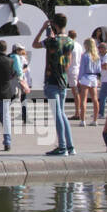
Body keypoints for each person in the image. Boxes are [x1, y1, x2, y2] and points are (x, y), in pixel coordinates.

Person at [33, 13, 76, 156]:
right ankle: (70, 146)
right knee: (62, 113)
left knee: (57, 114)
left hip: (51, 80)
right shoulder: (70, 41)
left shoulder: (51, 41)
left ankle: (62, 146)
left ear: (55, 24)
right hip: (63, 80)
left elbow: (35, 44)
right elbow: (67, 63)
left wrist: (42, 29)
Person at [77, 37, 102, 126]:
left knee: (84, 100)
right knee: (95, 100)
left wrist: (78, 79)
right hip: (94, 77)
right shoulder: (97, 56)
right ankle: (95, 120)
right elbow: (99, 69)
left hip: (86, 77)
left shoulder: (85, 55)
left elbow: (82, 69)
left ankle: (83, 120)